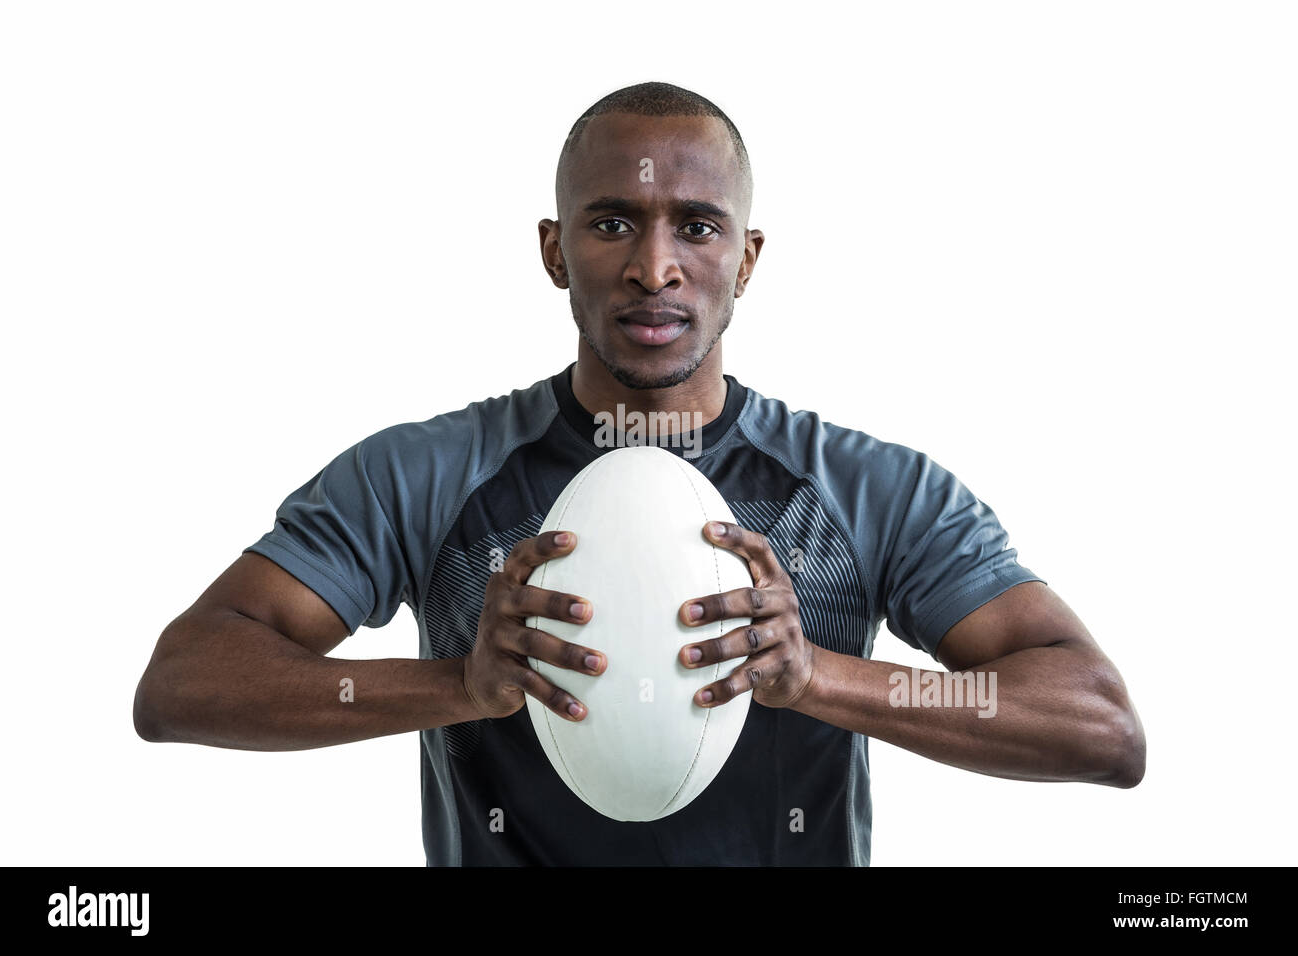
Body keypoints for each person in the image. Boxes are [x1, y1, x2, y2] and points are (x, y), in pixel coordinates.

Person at [133, 81, 1145, 866]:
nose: (653, 268)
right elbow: (183, 683)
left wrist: (817, 676)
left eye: (696, 226)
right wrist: (461, 683)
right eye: (612, 221)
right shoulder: (425, 474)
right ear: (553, 250)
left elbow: (1099, 725)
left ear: (746, 259)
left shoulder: (870, 489)